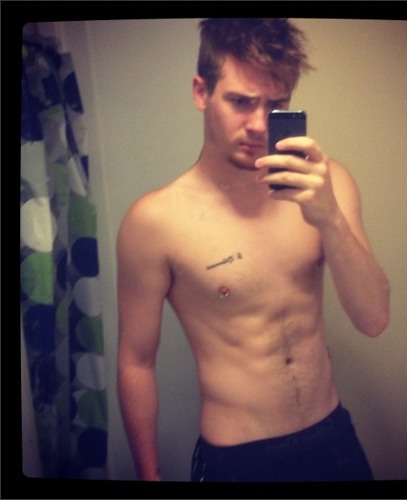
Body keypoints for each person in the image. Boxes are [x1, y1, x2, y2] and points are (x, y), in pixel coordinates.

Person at [117, 18, 390, 483]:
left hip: (333, 439)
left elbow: (374, 320)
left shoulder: (327, 187)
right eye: (242, 102)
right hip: (237, 460)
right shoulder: (155, 221)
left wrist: (329, 218)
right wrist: (149, 475)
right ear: (201, 92)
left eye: (276, 104)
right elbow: (136, 361)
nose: (260, 125)